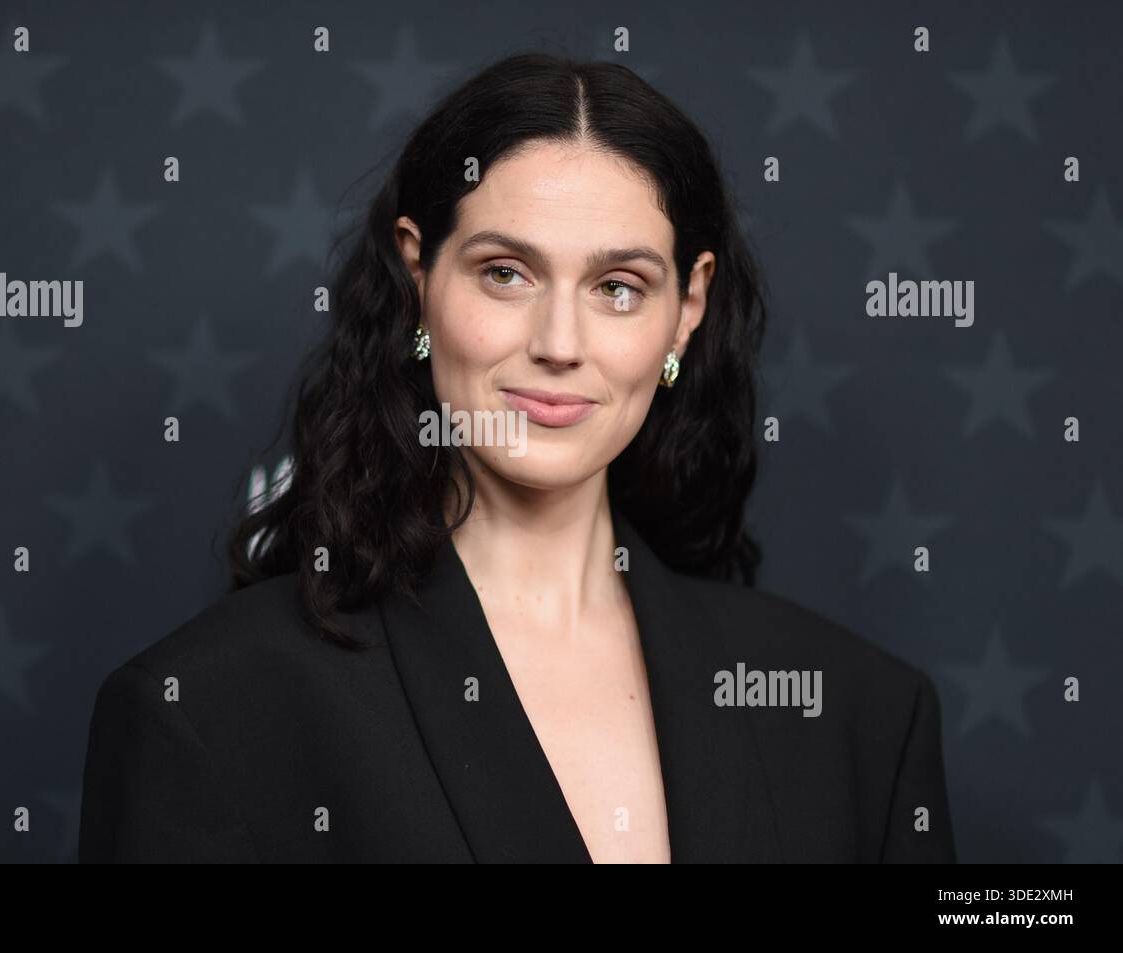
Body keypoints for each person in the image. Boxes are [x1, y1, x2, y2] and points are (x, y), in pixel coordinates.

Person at [78, 52, 956, 863]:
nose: (560, 343)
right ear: (418, 275)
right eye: (507, 272)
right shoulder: (208, 706)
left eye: (619, 288)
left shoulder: (859, 713)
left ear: (687, 309)